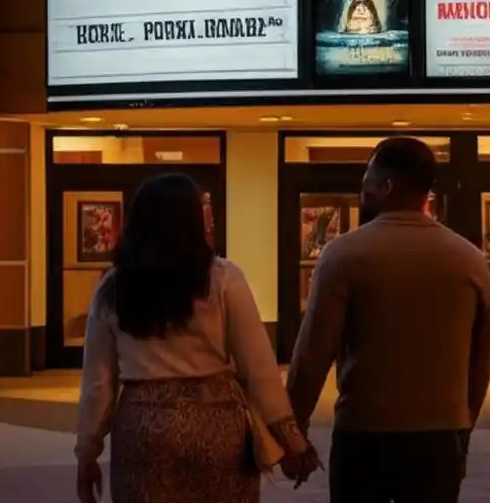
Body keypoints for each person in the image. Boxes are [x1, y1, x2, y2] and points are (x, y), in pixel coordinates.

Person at [75, 173, 319, 503]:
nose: (209, 217)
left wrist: (88, 452)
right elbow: (258, 367)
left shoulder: (114, 287)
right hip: (216, 425)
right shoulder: (223, 278)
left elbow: (98, 382)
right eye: (202, 208)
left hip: (144, 428)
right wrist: (292, 441)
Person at [287, 137, 490, 503]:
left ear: (386, 186)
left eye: (367, 179)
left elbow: (312, 354)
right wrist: (463, 425)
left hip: (364, 435)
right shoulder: (470, 259)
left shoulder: (343, 255)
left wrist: (294, 430)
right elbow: (481, 358)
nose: (362, 189)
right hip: (440, 439)